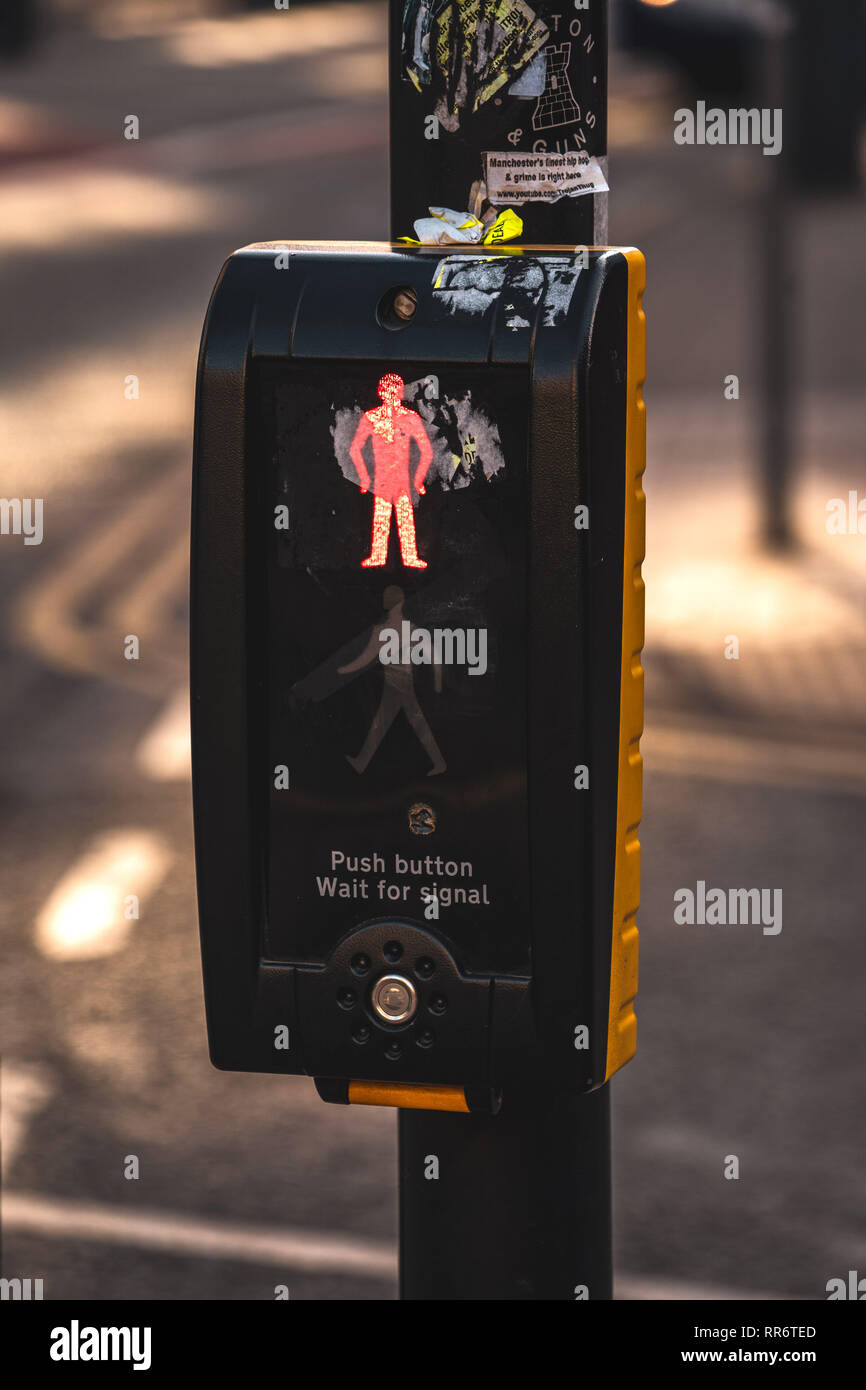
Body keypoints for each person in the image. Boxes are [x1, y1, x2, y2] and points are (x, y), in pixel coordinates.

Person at [350, 373, 432, 569]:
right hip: (382, 479)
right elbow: (355, 449)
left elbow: (426, 451)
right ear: (381, 392)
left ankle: (409, 556)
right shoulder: (371, 417)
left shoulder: (410, 417)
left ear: (401, 392)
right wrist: (364, 478)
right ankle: (379, 556)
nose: (392, 395)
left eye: (396, 391)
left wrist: (418, 479)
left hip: (403, 479)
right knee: (382, 517)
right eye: (388, 390)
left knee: (405, 518)